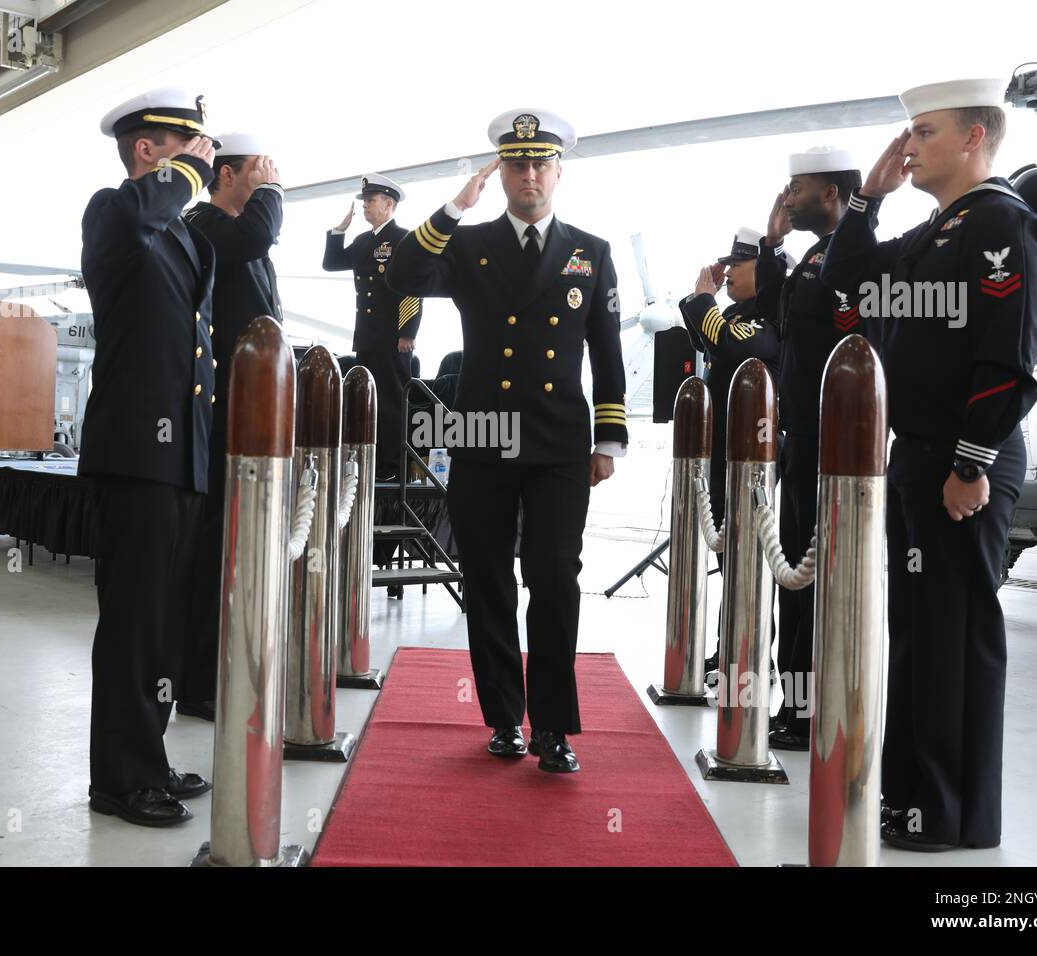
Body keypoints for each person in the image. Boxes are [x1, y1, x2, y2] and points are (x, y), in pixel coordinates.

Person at [821, 78, 1037, 851]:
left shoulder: (1001, 226)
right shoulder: (934, 233)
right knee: (915, 635)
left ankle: (953, 815)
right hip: (916, 456)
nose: (909, 146)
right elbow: (843, 283)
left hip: (961, 461)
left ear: (974, 137)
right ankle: (911, 800)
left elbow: (1007, 359)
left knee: (953, 636)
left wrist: (971, 461)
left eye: (925, 131)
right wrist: (866, 200)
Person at [386, 109, 628, 773]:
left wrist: (609, 438)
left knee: (553, 579)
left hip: (557, 444)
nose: (528, 173)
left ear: (558, 171)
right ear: (502, 174)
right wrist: (452, 207)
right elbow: (402, 276)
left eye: (539, 162)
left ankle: (553, 725)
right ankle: (503, 718)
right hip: (482, 435)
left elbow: (608, 356)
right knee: (488, 577)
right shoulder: (467, 244)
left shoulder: (591, 251)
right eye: (515, 163)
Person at [78, 86, 219, 827]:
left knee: (164, 621)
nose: (202, 159)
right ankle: (118, 779)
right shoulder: (116, 212)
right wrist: (189, 177)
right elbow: (135, 219)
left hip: (182, 457)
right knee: (133, 622)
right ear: (147, 149)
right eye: (188, 147)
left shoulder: (185, 239)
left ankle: (152, 758)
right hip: (136, 454)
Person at [755, 146, 865, 750]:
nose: (787, 196)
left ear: (831, 194)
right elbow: (779, 322)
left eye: (798, 187)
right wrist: (771, 247)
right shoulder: (815, 258)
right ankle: (794, 711)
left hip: (832, 449)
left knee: (817, 585)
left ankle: (809, 713)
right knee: (795, 582)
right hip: (800, 443)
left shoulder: (850, 261)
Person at [180, 133, 285, 720]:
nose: (267, 181)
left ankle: (228, 670)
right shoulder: (205, 225)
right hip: (216, 418)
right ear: (224, 176)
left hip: (253, 419)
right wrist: (270, 192)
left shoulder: (242, 237)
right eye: (255, 172)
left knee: (242, 552)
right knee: (212, 552)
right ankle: (197, 682)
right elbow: (255, 234)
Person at [677, 228, 784, 680]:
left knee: (747, 558)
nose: (729, 273)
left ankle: (750, 655)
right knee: (734, 557)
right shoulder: (740, 313)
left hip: (749, 456)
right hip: (727, 452)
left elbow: (734, 343)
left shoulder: (766, 316)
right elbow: (708, 338)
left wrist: (705, 299)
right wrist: (700, 298)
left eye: (736, 266)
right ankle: (733, 651)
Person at [323, 173, 423, 479]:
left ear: (389, 204)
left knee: (391, 403)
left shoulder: (404, 238)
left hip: (393, 336)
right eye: (364, 201)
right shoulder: (364, 241)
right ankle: (369, 467)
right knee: (364, 401)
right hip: (366, 334)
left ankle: (392, 470)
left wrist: (408, 332)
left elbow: (413, 287)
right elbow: (332, 262)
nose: (365, 206)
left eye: (370, 200)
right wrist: (338, 231)